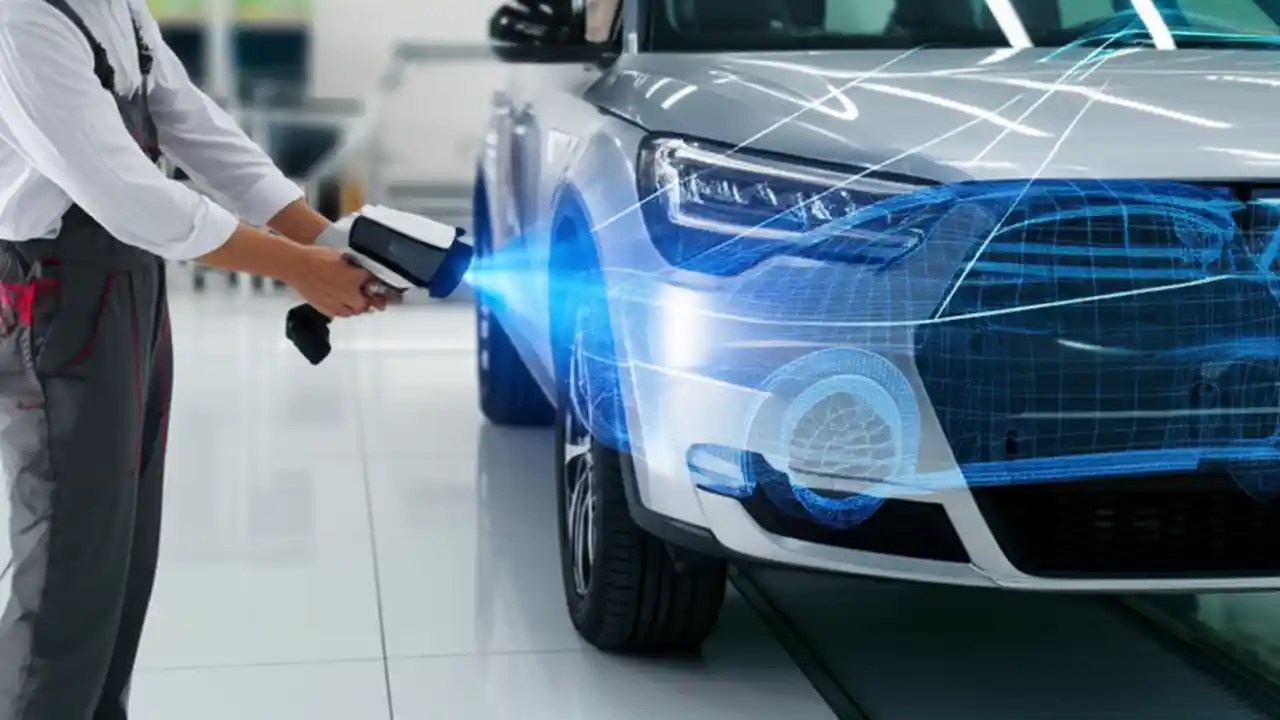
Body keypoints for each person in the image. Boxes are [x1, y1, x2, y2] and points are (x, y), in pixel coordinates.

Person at [0, 0, 382, 717]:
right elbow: (127, 193)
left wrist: (321, 240)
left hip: (128, 280)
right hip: (58, 293)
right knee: (67, 569)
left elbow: (188, 117)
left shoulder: (112, 4)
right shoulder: (20, 19)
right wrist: (296, 267)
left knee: (121, 554)